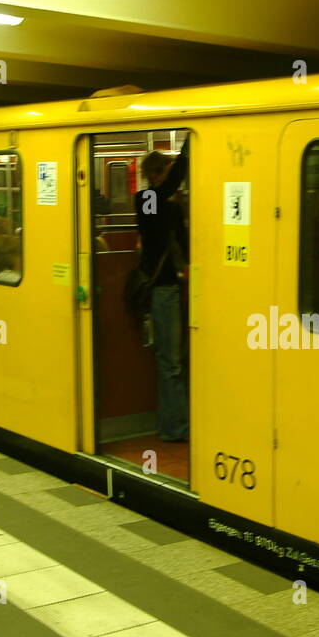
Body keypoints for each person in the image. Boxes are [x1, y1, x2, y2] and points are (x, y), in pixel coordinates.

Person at [136, 144, 190, 442]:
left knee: (174, 360)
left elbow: (184, 241)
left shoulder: (169, 204)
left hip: (174, 287)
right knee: (170, 362)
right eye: (168, 173)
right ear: (156, 175)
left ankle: (174, 422)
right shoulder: (146, 199)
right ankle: (175, 429)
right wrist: (185, 150)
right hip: (161, 290)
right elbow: (167, 189)